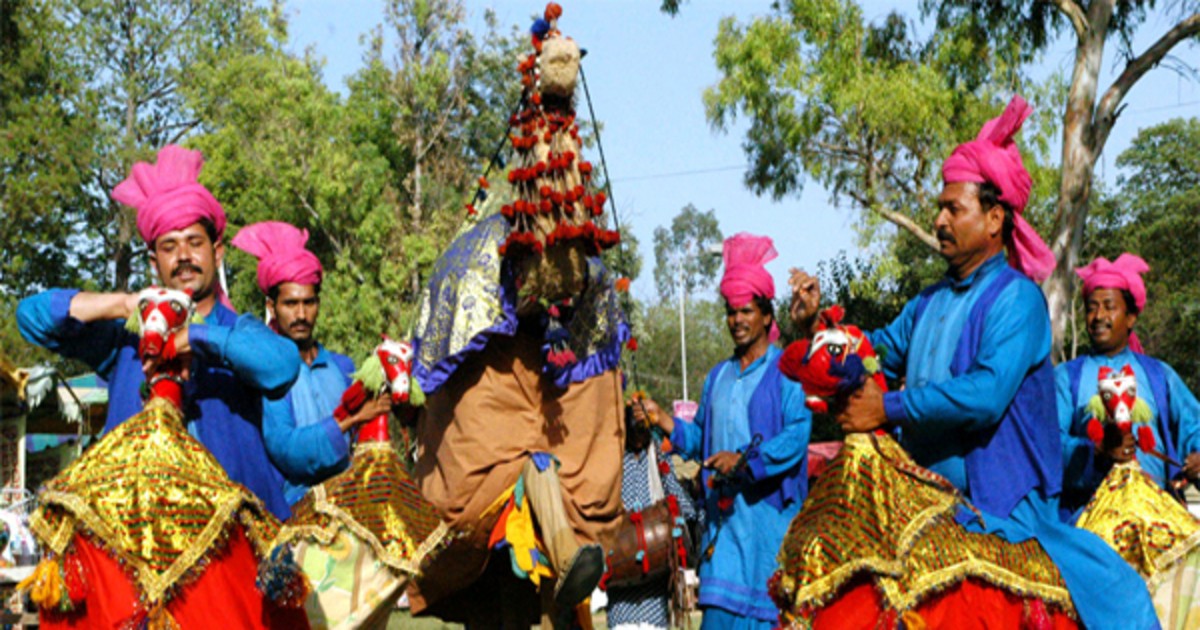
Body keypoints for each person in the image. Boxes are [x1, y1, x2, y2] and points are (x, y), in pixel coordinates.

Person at [789, 96, 1158, 630]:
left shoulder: (1018, 301)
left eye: (951, 209)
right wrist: (819, 324)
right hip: (917, 499)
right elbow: (870, 353)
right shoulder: (927, 303)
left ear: (994, 219)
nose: (938, 220)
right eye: (939, 208)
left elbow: (985, 395)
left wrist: (885, 407)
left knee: (1118, 592)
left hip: (1004, 510)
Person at [17, 145, 300, 520]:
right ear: (154, 262)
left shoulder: (240, 331)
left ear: (217, 253)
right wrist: (124, 306)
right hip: (139, 541)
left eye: (194, 243)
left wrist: (197, 339)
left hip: (236, 540)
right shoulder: (124, 342)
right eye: (169, 246)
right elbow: (31, 317)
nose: (183, 256)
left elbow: (282, 365)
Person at [636, 233, 811, 630]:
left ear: (767, 315)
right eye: (731, 312)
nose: (737, 321)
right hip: (723, 547)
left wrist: (745, 461)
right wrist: (663, 420)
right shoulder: (717, 378)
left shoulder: (787, 372)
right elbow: (701, 439)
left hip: (771, 543)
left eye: (746, 311)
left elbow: (798, 435)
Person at [232, 221, 392, 505]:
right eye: (290, 304)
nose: (302, 314)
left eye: (309, 302)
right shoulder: (269, 375)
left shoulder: (342, 368)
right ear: (271, 306)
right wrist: (350, 419)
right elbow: (286, 449)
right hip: (295, 511)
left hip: (351, 501)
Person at [1057, 253, 1200, 519]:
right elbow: (1048, 442)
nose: (1098, 316)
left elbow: (1194, 425)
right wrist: (1097, 451)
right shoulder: (1066, 378)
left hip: (1156, 514)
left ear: (1131, 317)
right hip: (1090, 519)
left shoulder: (1159, 375)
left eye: (1109, 306)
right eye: (1091, 307)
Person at [605, 406, 698, 630]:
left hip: (654, 598)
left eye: (642, 427)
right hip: (620, 597)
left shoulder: (656, 454)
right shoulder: (612, 459)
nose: (638, 435)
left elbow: (683, 505)